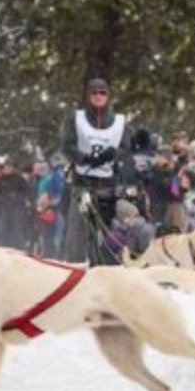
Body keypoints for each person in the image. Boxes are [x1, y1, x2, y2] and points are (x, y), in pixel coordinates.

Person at [60, 78, 134, 265]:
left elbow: (126, 149)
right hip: (82, 185)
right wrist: (84, 158)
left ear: (108, 96)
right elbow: (67, 146)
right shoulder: (76, 118)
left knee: (105, 236)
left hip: (108, 188)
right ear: (88, 95)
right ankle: (74, 271)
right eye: (94, 92)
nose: (98, 96)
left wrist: (113, 155)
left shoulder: (119, 121)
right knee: (77, 234)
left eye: (102, 92)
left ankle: (104, 273)